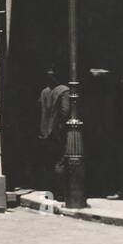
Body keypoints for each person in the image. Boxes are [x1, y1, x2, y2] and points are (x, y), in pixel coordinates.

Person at [37, 67, 70, 197]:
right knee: (61, 160)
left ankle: (50, 190)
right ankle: (61, 192)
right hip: (59, 131)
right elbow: (65, 111)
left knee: (49, 161)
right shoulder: (64, 91)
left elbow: (39, 108)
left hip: (45, 131)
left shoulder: (44, 91)